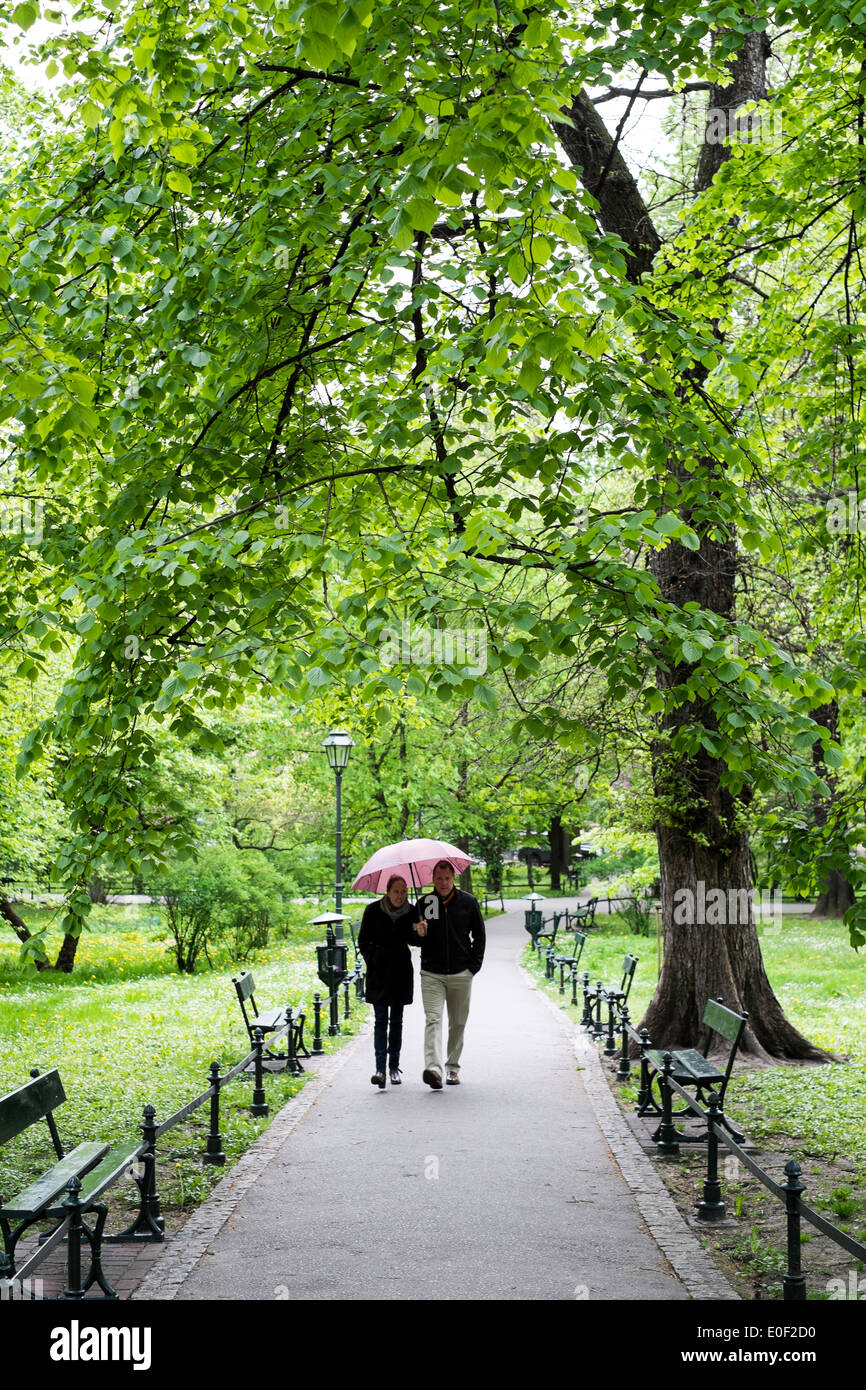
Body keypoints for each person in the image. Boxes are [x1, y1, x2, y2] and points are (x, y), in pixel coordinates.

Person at [412, 859, 485, 1089]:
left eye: (447, 878)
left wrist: (472, 967)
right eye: (439, 878)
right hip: (431, 973)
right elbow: (413, 940)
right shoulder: (424, 903)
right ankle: (433, 1069)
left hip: (460, 973)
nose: (443, 883)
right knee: (433, 1020)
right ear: (433, 879)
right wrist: (419, 933)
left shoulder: (468, 902)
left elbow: (480, 936)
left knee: (458, 1023)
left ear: (453, 879)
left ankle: (452, 1067)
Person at [358, 875, 415, 1088]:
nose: (400, 896)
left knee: (397, 1022)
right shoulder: (373, 911)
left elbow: (415, 941)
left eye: (403, 892)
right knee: (381, 1021)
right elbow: (363, 941)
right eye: (396, 891)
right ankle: (380, 1069)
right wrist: (373, 958)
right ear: (388, 891)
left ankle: (394, 1067)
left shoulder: (411, 912)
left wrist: (420, 930)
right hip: (379, 974)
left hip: (400, 973)